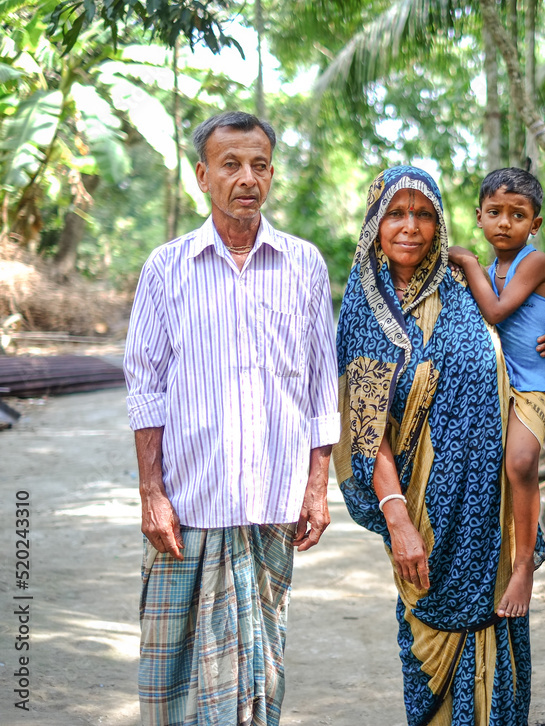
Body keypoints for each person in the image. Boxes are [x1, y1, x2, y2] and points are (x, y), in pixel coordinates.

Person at [334, 166, 545, 725]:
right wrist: (397, 520)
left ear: (440, 220)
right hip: (418, 508)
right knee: (426, 625)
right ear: (375, 222)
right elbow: (367, 429)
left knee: (498, 626)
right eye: (395, 213)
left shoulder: (464, 285)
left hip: (487, 506)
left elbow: (527, 322)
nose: (410, 227)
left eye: (423, 213)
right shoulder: (362, 309)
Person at [123, 111, 340, 726]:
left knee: (258, 663)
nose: (247, 178)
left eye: (260, 165)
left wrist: (317, 485)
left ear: (271, 174)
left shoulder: (303, 264)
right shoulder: (167, 268)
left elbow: (323, 385)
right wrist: (151, 492)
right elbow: (146, 387)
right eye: (231, 165)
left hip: (272, 500)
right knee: (173, 665)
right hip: (189, 504)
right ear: (203, 176)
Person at [448, 167, 545, 618]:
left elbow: (494, 312)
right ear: (478, 217)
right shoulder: (490, 267)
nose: (504, 222)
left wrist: (470, 263)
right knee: (494, 469)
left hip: (532, 380)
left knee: (521, 462)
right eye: (494, 212)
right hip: (497, 379)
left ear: (534, 224)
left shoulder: (533, 262)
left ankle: (524, 567)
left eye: (518, 215)